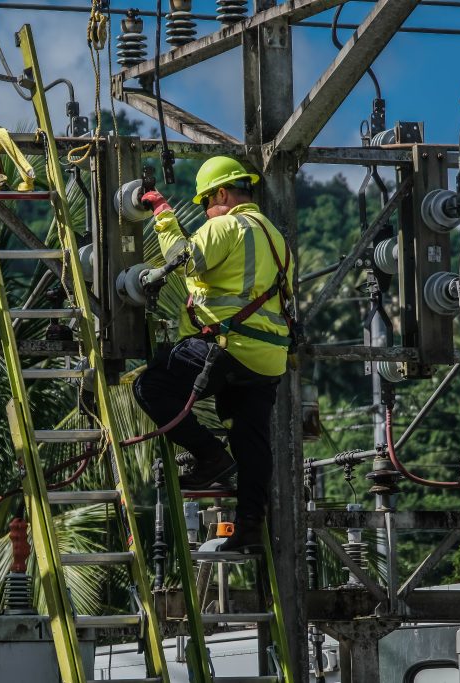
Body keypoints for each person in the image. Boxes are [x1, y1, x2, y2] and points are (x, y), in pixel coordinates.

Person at [133, 156, 294, 550]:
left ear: (222, 194)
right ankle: (250, 527)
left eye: (206, 202)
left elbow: (181, 260)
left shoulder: (226, 225)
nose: (205, 211)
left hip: (225, 345)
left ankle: (210, 456)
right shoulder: (277, 237)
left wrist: (163, 213)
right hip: (268, 357)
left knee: (150, 386)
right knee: (250, 439)